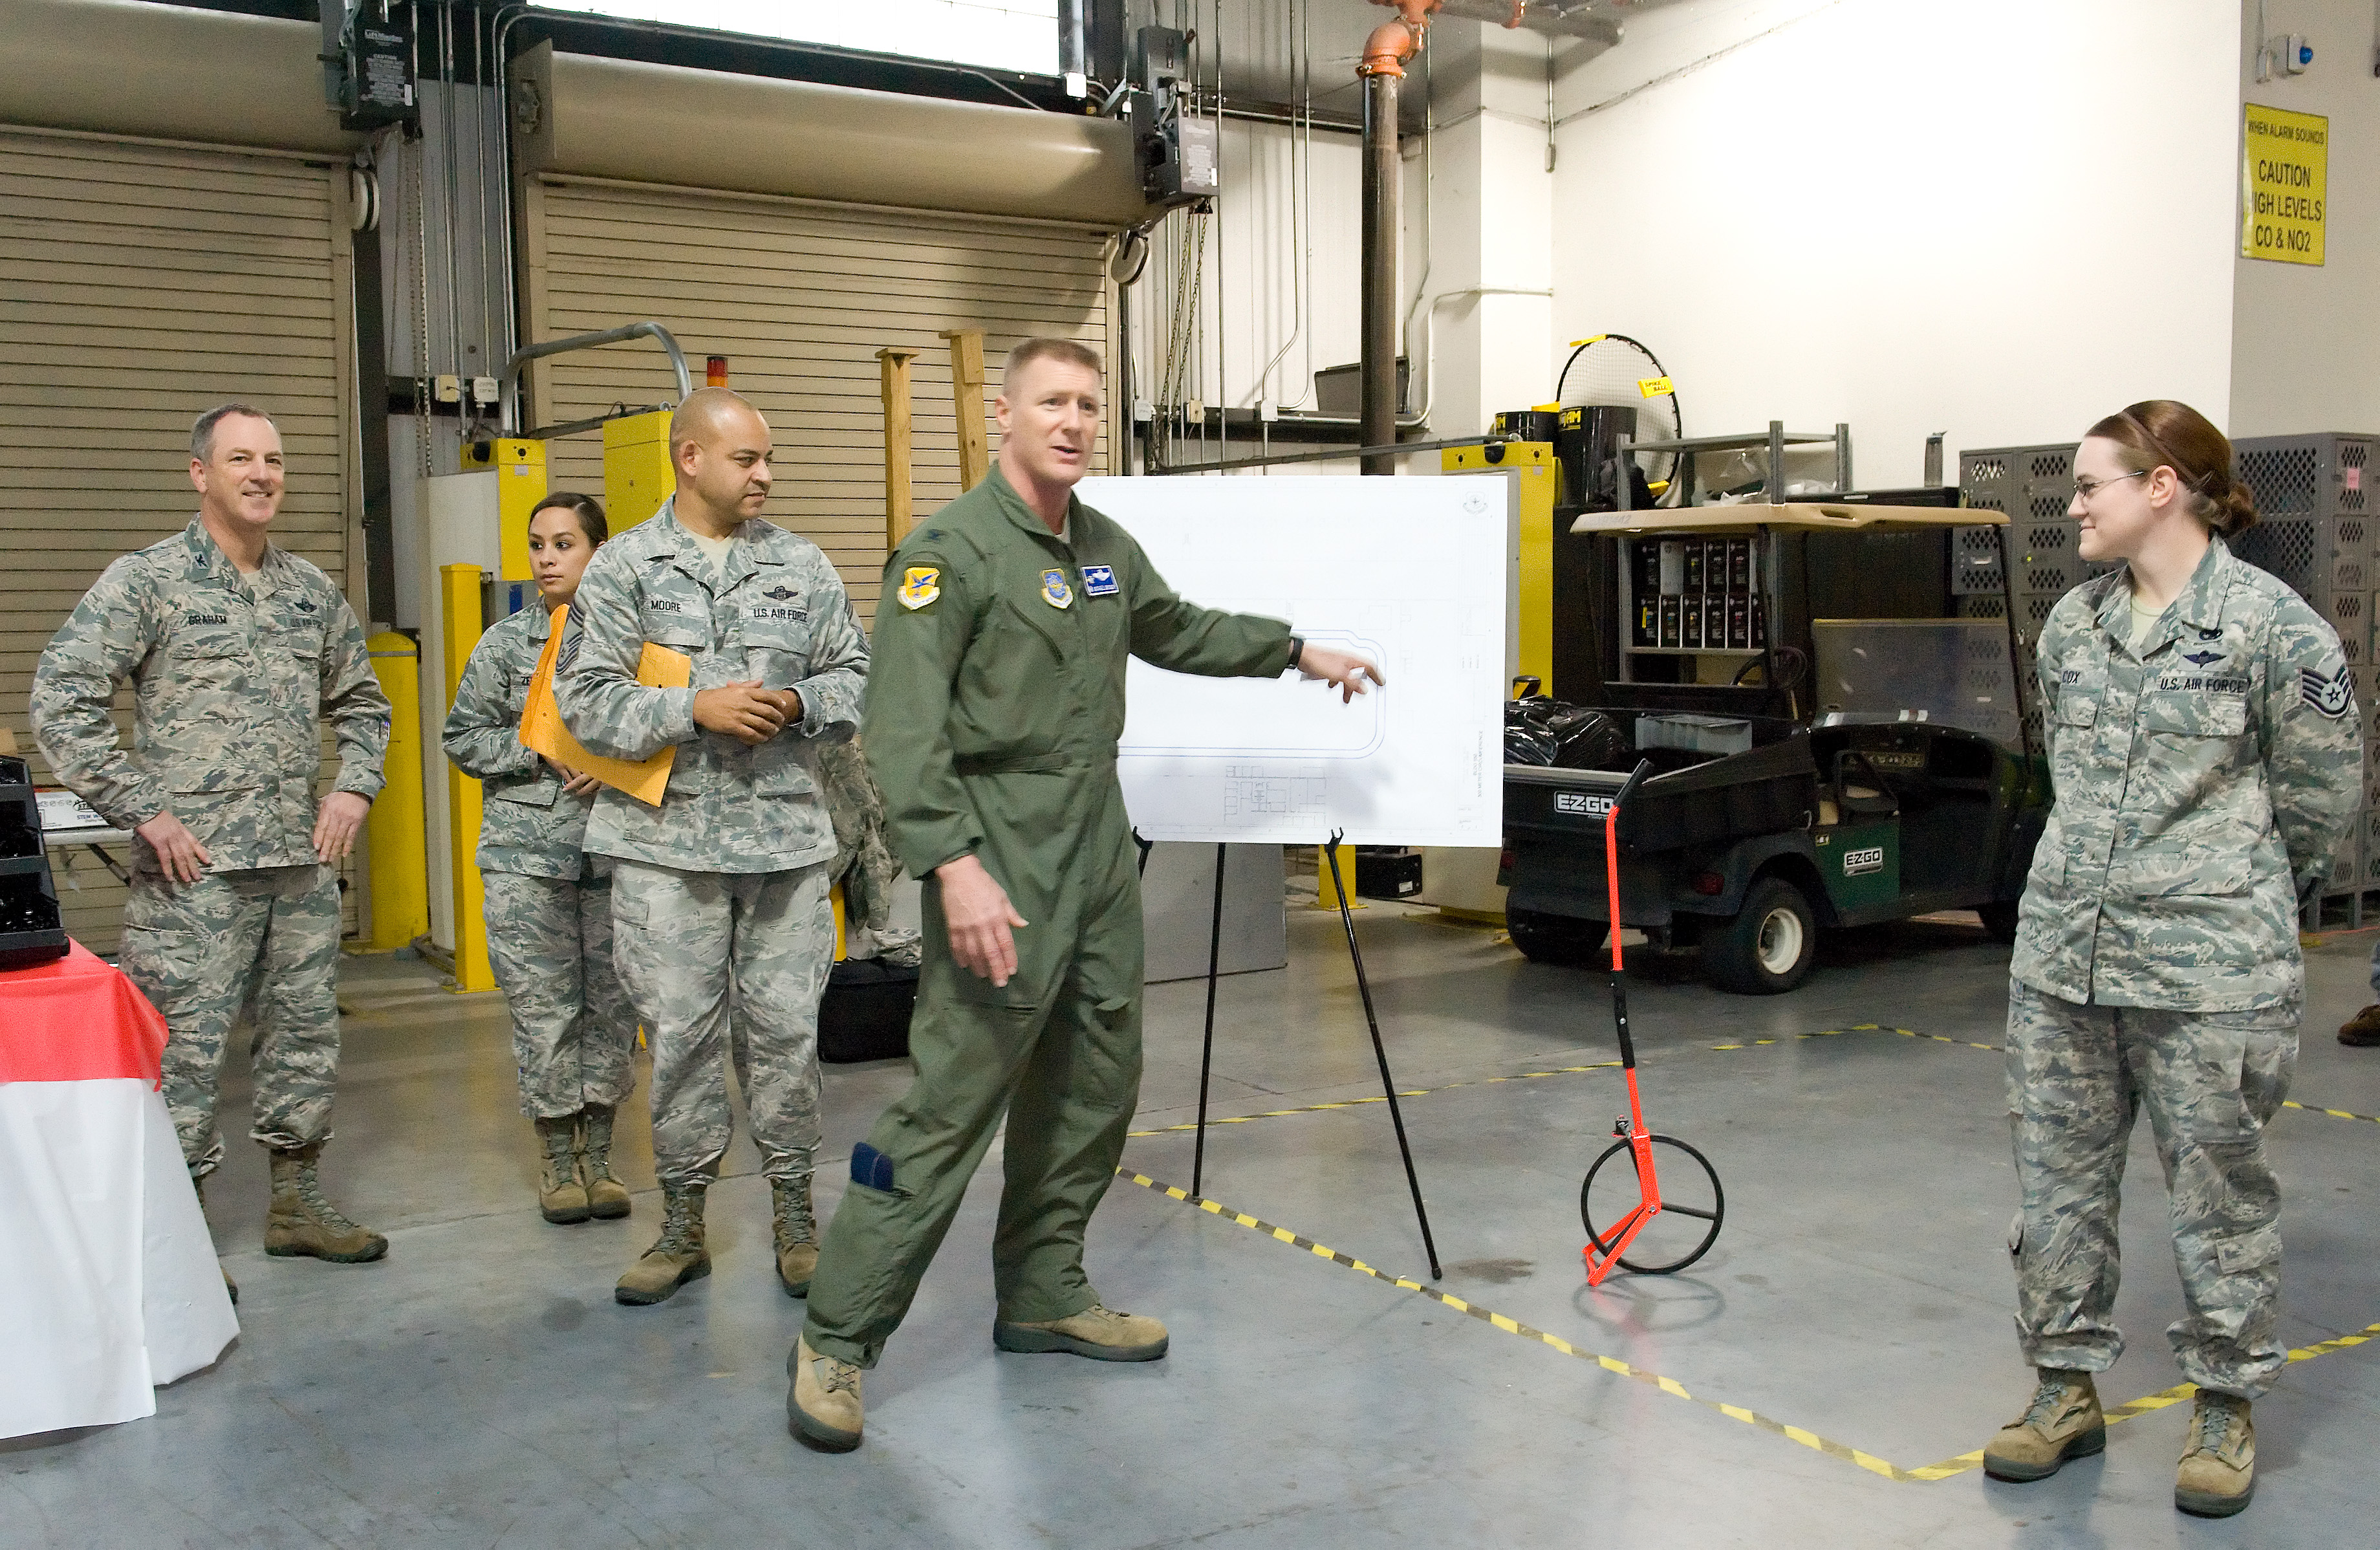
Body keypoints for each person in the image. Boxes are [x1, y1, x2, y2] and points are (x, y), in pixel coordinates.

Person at [788, 338, 1383, 1452]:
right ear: (1003, 412)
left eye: (1089, 405)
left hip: (1096, 840)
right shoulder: (947, 555)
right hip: (997, 842)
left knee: (1094, 1077)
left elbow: (1177, 629)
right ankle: (837, 1339)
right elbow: (903, 727)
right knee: (953, 1100)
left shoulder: (1104, 546)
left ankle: (1045, 1292)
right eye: (1052, 401)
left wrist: (1297, 651)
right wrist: (952, 865)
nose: (1073, 420)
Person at [1981, 401, 2359, 1518]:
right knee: (2056, 1188)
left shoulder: (2272, 629)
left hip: (2208, 975)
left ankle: (2225, 1406)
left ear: (2162, 488)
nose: (2075, 506)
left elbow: (2321, 796)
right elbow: (2067, 772)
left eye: (2092, 485)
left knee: (2219, 1193)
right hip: (2064, 962)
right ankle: (2062, 1389)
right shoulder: (2072, 626)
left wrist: (2226, 892)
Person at [30, 402, 393, 1296]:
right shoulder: (147, 582)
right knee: (182, 1056)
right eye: (241, 459)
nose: (262, 474)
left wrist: (353, 784)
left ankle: (297, 1204)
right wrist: (141, 808)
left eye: (274, 459)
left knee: (305, 1041)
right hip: (195, 878)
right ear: (201, 474)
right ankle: (176, 1239)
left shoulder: (310, 590)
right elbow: (61, 702)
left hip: (299, 870)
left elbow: (365, 704)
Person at [554, 386, 869, 1307]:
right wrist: (692, 708)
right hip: (666, 847)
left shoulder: (802, 568)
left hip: (783, 846)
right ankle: (684, 1222)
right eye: (747, 460)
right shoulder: (624, 569)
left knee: (784, 1036)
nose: (765, 475)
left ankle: (795, 1217)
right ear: (689, 458)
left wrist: (802, 704)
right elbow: (585, 703)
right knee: (684, 1038)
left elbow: (855, 674)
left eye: (770, 459)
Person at [441, 492, 638, 1225]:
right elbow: (463, 737)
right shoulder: (505, 644)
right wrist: (535, 746)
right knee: (545, 1011)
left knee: (613, 1010)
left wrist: (613, 760)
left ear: (598, 552)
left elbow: (671, 737)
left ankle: (603, 1156)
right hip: (528, 859)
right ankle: (559, 1161)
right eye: (537, 544)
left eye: (564, 543)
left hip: (618, 853)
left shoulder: (638, 646)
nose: (547, 558)